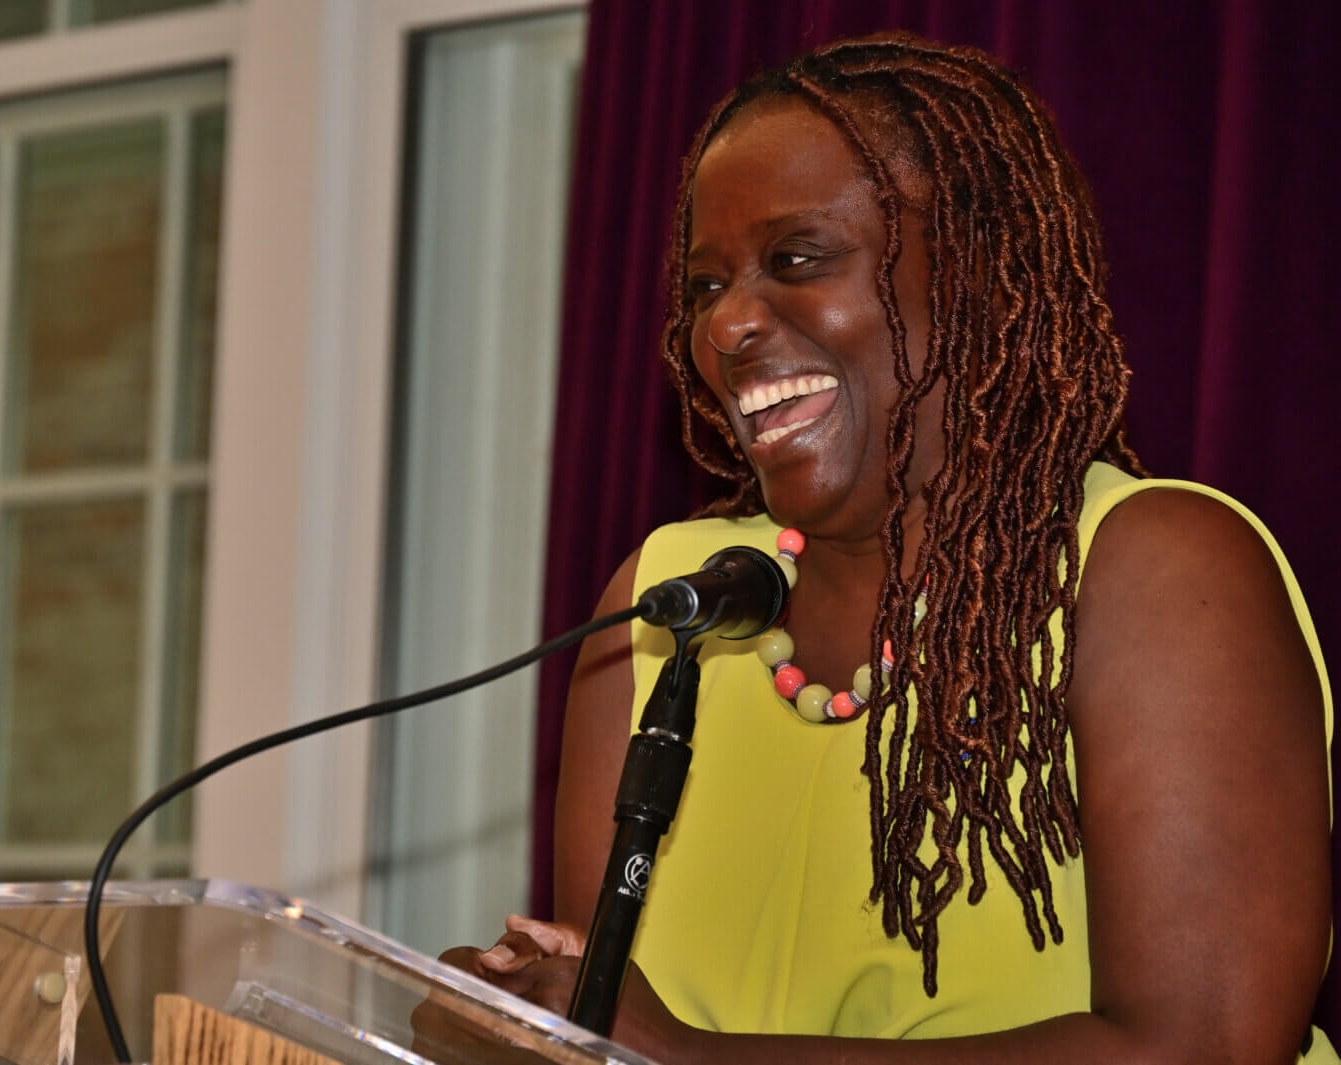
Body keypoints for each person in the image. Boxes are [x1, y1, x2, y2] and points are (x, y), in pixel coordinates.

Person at [438, 32, 1334, 1064]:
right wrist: (523, 1012)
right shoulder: (669, 599)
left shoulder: (1155, 568)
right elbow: (612, 1029)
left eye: (797, 259)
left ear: (972, 271)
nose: (727, 325)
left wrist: (694, 1059)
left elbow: (1208, 1045)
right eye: (703, 286)